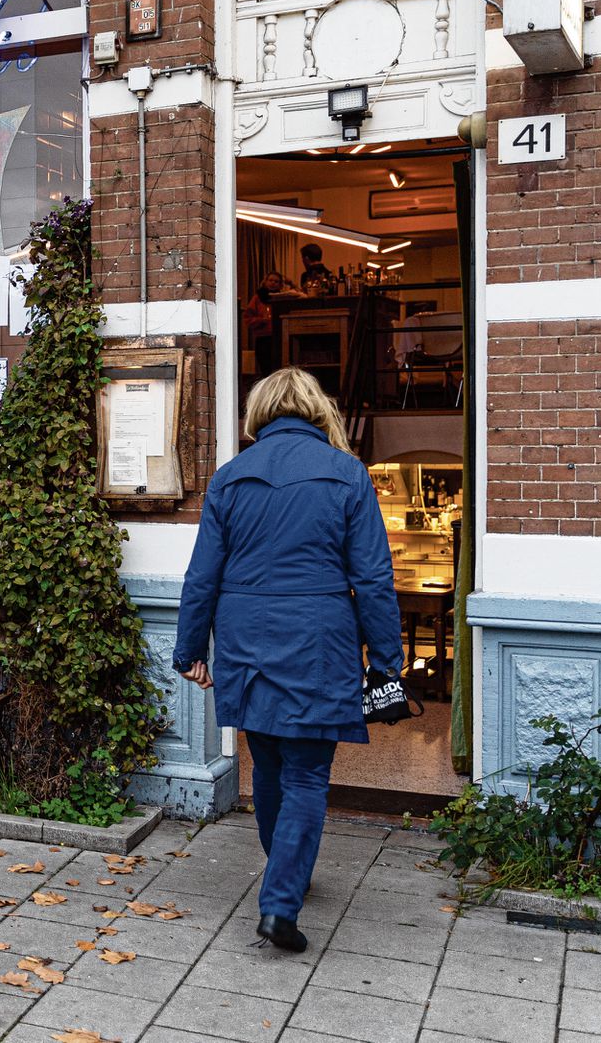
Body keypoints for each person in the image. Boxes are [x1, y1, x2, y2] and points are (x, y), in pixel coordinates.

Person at [171, 366, 402, 954]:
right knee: (305, 774)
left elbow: (202, 577)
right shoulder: (347, 474)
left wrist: (191, 651)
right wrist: (388, 658)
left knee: (268, 762)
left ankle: (285, 869)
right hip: (318, 641)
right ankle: (279, 904)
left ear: (259, 414)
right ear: (316, 410)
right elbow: (372, 577)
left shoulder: (229, 478)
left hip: (246, 638)